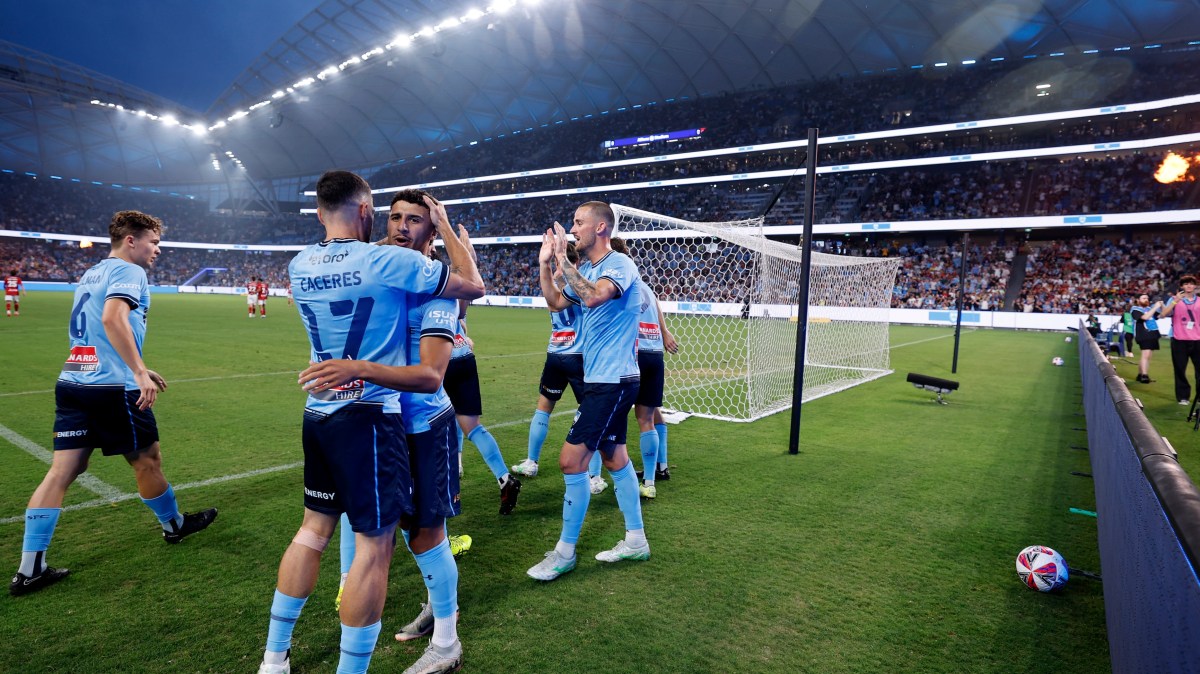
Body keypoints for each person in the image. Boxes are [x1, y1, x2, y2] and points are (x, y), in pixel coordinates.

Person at [255, 171, 483, 674]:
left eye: (415, 220)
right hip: (377, 423)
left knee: (425, 535)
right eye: (395, 217)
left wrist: (447, 235)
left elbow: (429, 375)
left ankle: (446, 640)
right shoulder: (384, 268)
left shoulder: (433, 289)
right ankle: (417, 617)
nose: (402, 226)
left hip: (421, 424)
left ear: (432, 230)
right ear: (375, 216)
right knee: (374, 537)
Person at [11, 211, 217, 597]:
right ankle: (174, 526)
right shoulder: (130, 272)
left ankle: (29, 568)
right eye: (154, 242)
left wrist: (135, 364)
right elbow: (112, 318)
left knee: (62, 470)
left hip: (73, 379)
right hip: (112, 387)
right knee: (146, 459)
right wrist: (137, 372)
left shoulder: (92, 272)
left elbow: (97, 326)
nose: (158, 250)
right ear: (131, 241)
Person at [526, 201, 649, 582]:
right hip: (602, 379)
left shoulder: (619, 265)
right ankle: (636, 540)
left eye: (579, 222)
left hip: (612, 382)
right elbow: (557, 301)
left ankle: (564, 553)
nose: (573, 228)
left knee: (571, 461)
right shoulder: (590, 269)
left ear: (600, 228)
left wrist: (563, 259)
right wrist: (547, 264)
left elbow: (595, 296)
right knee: (615, 459)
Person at [609, 237, 678, 500]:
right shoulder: (644, 285)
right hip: (654, 353)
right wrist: (664, 331)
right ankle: (655, 473)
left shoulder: (618, 282)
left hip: (633, 354)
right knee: (650, 416)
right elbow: (656, 304)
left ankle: (613, 476)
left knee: (621, 416)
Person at [512, 243, 585, 482]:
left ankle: (531, 462)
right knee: (589, 412)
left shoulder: (551, 282)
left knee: (543, 407)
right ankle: (594, 477)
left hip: (555, 353)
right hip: (579, 356)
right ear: (577, 262)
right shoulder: (581, 282)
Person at [444, 311, 521, 515]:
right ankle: (504, 478)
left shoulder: (418, 284)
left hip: (438, 357)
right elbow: (462, 320)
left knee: (429, 423)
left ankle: (441, 486)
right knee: (471, 425)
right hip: (463, 354)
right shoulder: (452, 284)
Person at [1160, 274, 1200, 405]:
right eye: (1186, 284)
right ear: (1182, 286)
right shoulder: (1174, 300)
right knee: (1180, 370)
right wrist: (1175, 301)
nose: (1189, 286)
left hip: (1197, 339)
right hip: (1179, 339)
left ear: (1195, 286)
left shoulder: (1199, 301)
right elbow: (1163, 314)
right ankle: (1183, 397)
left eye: (1191, 283)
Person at [1130, 293, 1162, 384]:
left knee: (1148, 356)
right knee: (1146, 355)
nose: (1146, 299)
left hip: (1152, 334)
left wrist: (1162, 305)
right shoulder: (1135, 309)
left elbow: (1160, 316)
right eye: (1144, 298)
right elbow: (1145, 317)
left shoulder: (1149, 309)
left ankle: (1140, 375)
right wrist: (1155, 307)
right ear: (1137, 300)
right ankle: (1144, 375)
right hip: (1143, 334)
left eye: (1147, 298)